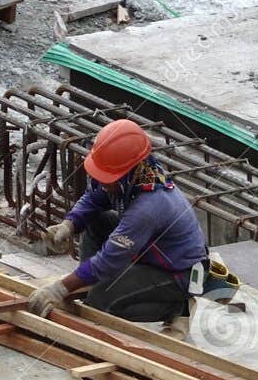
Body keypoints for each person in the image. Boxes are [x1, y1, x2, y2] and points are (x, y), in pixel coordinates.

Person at [28, 118, 234, 334]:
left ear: (129, 172)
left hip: (177, 271)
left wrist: (60, 289)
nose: (102, 181)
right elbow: (94, 197)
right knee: (95, 221)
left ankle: (178, 306)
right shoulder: (129, 176)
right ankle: (88, 284)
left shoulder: (149, 206)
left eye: (107, 176)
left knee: (102, 299)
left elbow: (108, 261)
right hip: (150, 251)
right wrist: (70, 224)